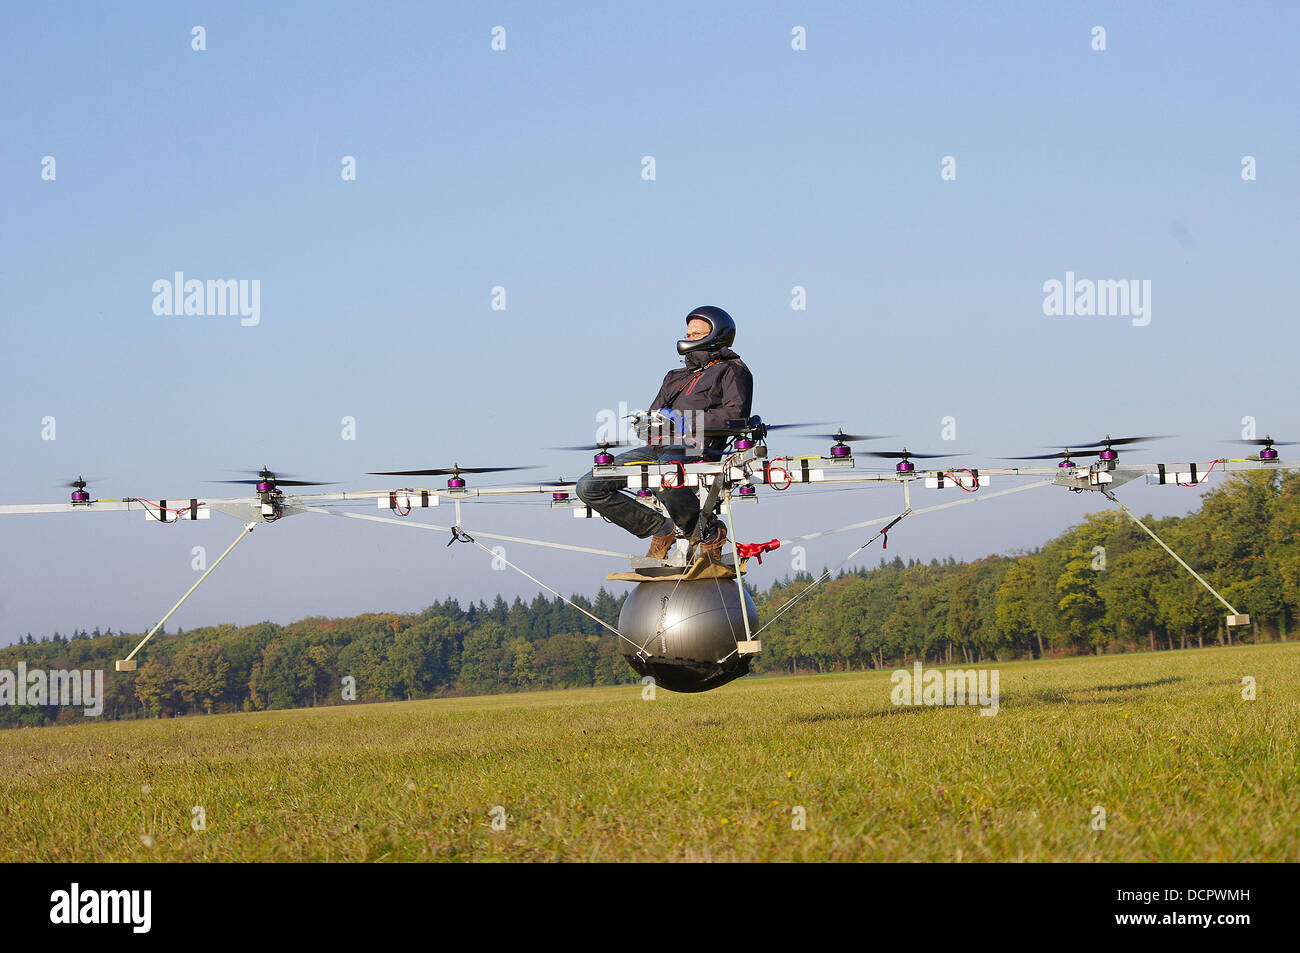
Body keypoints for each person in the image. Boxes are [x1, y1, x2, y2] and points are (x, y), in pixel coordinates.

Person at [576, 306, 754, 561]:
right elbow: (655, 413)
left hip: (698, 446)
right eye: (688, 333)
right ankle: (661, 529)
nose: (688, 338)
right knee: (590, 486)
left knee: (665, 474)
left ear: (715, 335)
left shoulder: (732, 370)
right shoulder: (675, 376)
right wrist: (646, 423)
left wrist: (687, 422)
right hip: (659, 448)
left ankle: (709, 532)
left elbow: (734, 416)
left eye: (695, 334)